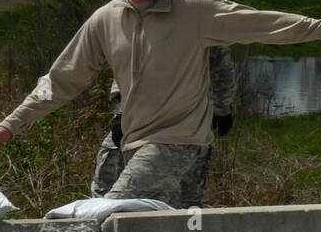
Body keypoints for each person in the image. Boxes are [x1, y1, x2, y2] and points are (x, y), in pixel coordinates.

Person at [0, 0, 321, 207]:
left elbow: (263, 23)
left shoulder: (194, 8)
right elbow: (61, 81)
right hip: (130, 141)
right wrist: (9, 125)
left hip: (179, 142)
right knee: (153, 227)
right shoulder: (105, 20)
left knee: (107, 214)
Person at [90, 44, 235, 207]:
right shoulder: (140, 22)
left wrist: (221, 109)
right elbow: (127, 63)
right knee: (105, 194)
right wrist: (121, 111)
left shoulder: (201, 22)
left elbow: (220, 66)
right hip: (140, 119)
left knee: (186, 204)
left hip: (181, 126)